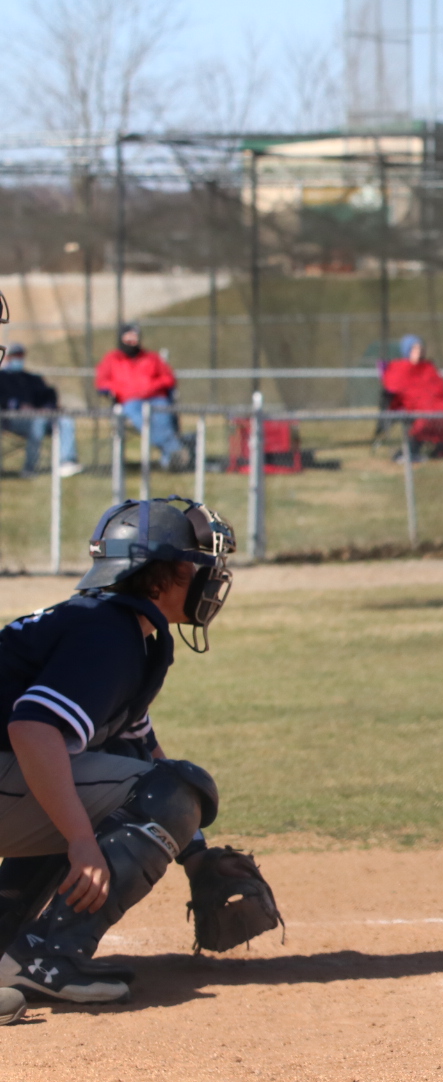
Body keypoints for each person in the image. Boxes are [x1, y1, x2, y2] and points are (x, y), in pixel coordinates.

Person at [0, 498, 238, 1005]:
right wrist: (82, 841)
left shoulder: (123, 630)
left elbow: (137, 748)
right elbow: (34, 730)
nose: (212, 580)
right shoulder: (108, 635)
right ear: (174, 571)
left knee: (134, 786)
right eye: (201, 566)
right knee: (170, 790)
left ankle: (10, 950)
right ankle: (49, 958)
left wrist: (195, 856)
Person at [94, 323, 190, 471]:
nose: (132, 342)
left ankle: (170, 460)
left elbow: (169, 378)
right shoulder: (112, 359)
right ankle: (175, 449)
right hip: (129, 401)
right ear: (121, 339)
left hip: (156, 397)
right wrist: (115, 390)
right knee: (138, 417)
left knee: (163, 417)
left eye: (135, 338)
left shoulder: (151, 357)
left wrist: (153, 386)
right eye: (128, 338)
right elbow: (102, 383)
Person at [0, 346, 81, 477]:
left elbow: (48, 395)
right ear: (7, 357)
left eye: (20, 356)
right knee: (38, 422)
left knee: (65, 420)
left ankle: (66, 461)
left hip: (40, 416)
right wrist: (19, 405)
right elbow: (3, 399)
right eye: (15, 356)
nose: (18, 359)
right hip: (12, 419)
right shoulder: (2, 378)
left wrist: (47, 407)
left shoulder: (31, 378)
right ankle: (30, 468)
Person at [381, 335, 443, 458]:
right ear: (407, 351)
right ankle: (413, 449)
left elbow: (439, 386)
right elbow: (394, 387)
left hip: (434, 401)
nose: (419, 351)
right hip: (412, 403)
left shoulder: (428, 367)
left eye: (420, 348)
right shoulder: (398, 367)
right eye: (415, 349)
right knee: (427, 414)